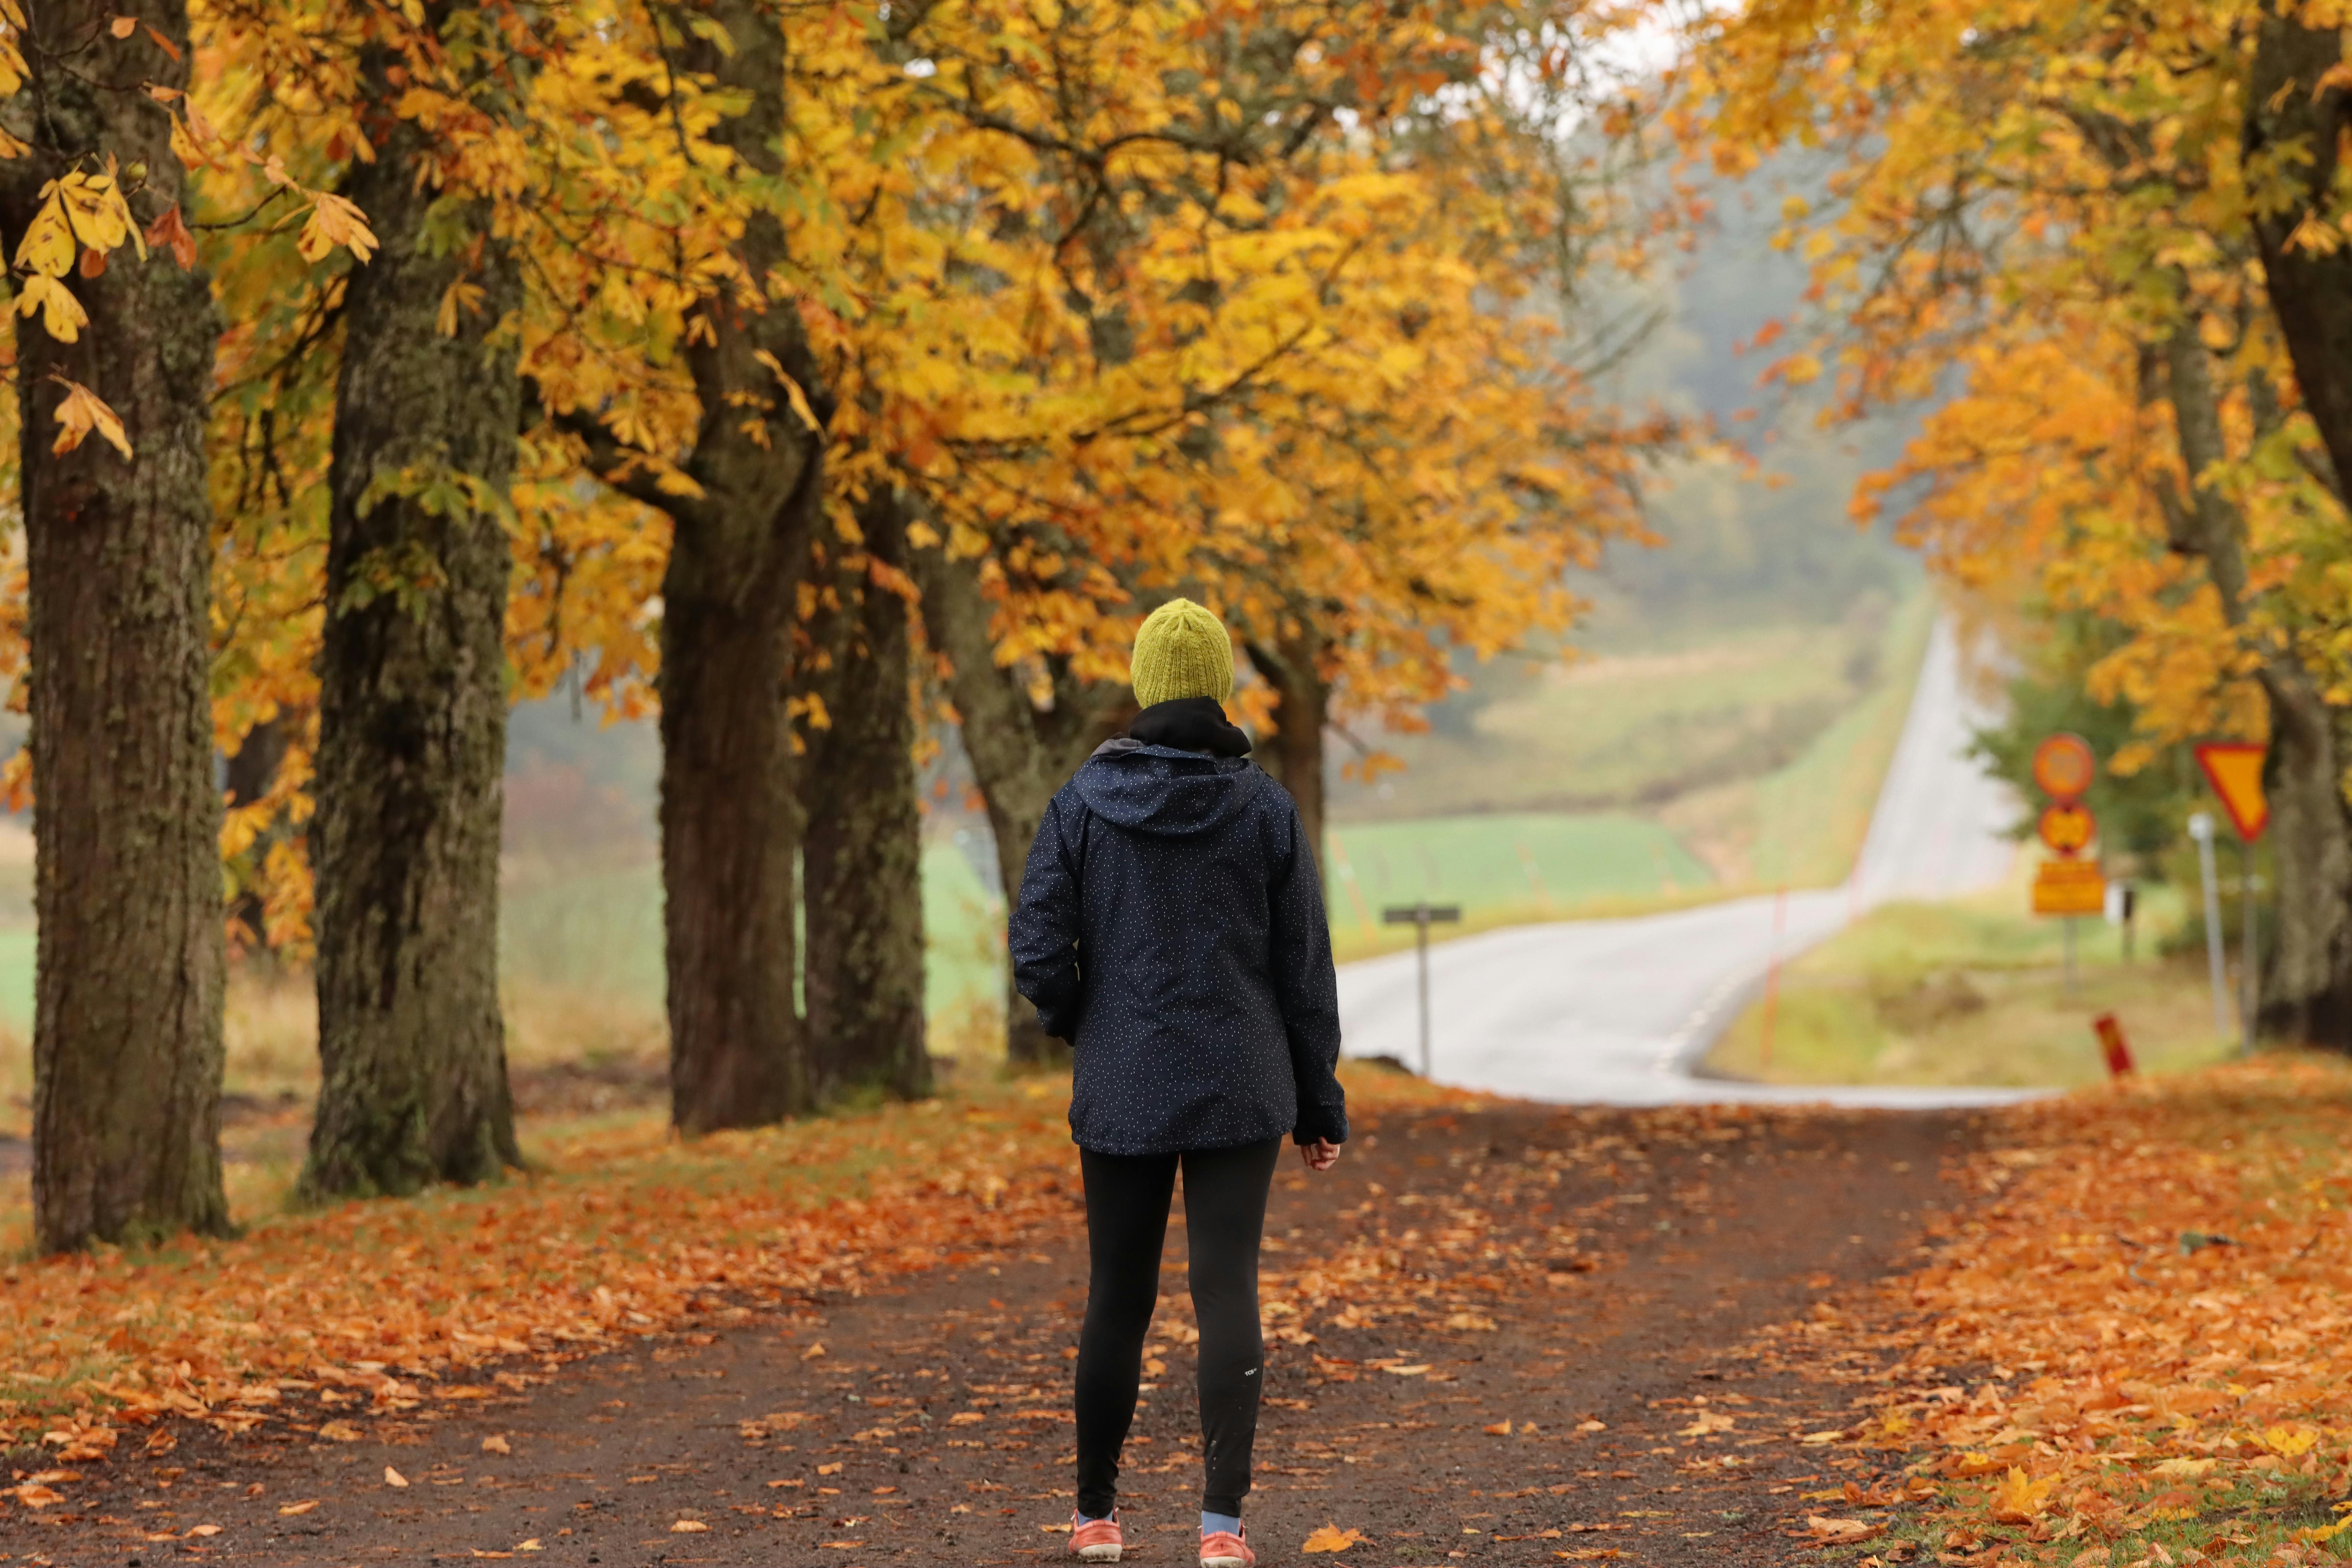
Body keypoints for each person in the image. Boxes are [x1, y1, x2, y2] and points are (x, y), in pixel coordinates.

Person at [1010, 597, 1347, 1568]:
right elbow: (1305, 971)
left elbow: (1037, 944)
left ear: (1143, 686)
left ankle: (1096, 1517)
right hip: (1243, 1081)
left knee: (1117, 1294)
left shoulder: (1082, 803)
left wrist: (1082, 1019)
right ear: (1223, 688)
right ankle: (1220, 1531)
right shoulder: (1265, 807)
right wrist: (1319, 1100)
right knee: (1226, 1288)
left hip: (1121, 1084)